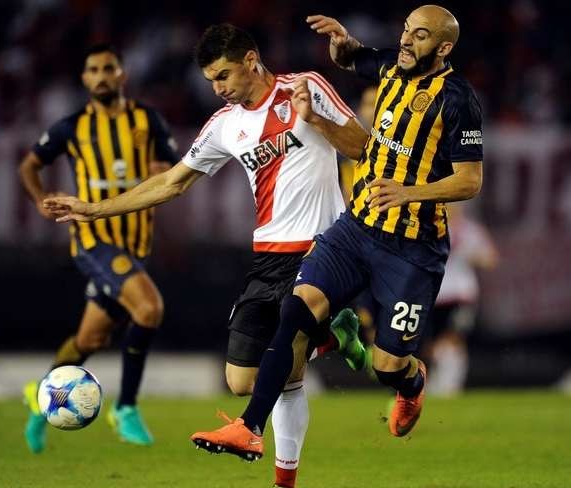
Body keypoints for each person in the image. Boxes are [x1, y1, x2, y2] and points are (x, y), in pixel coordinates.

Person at [44, 24, 368, 488]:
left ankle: (283, 479)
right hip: (268, 255)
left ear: (252, 60)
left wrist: (315, 120)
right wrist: (96, 210)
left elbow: (362, 148)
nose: (217, 89)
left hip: (323, 248)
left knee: (287, 357)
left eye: (223, 76)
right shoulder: (223, 124)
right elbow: (172, 182)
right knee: (243, 379)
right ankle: (332, 337)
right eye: (211, 81)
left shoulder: (306, 87)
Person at [188, 4, 484, 462]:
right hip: (356, 227)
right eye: (405, 30)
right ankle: (250, 428)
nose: (406, 40)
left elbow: (469, 181)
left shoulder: (458, 98)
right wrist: (343, 45)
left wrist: (409, 192)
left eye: (420, 35)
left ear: (443, 47)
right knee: (295, 308)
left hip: (412, 246)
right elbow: (355, 59)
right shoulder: (391, 64)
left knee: (386, 365)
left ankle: (411, 381)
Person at [17, 43, 178, 453]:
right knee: (150, 308)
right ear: (85, 79)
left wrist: (161, 173)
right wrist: (38, 198)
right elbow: (29, 165)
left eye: (109, 67)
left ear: (122, 74)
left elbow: (172, 173)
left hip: (135, 244)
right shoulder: (71, 128)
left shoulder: (148, 121)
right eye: (93, 69)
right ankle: (125, 408)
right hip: (93, 241)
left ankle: (40, 402)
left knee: (88, 341)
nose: (102, 75)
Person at [427, 203, 497, 395]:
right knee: (432, 344)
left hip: (461, 295)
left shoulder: (471, 231)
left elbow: (490, 258)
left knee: (453, 338)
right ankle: (438, 380)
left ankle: (450, 385)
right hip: (435, 295)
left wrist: (470, 254)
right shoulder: (431, 228)